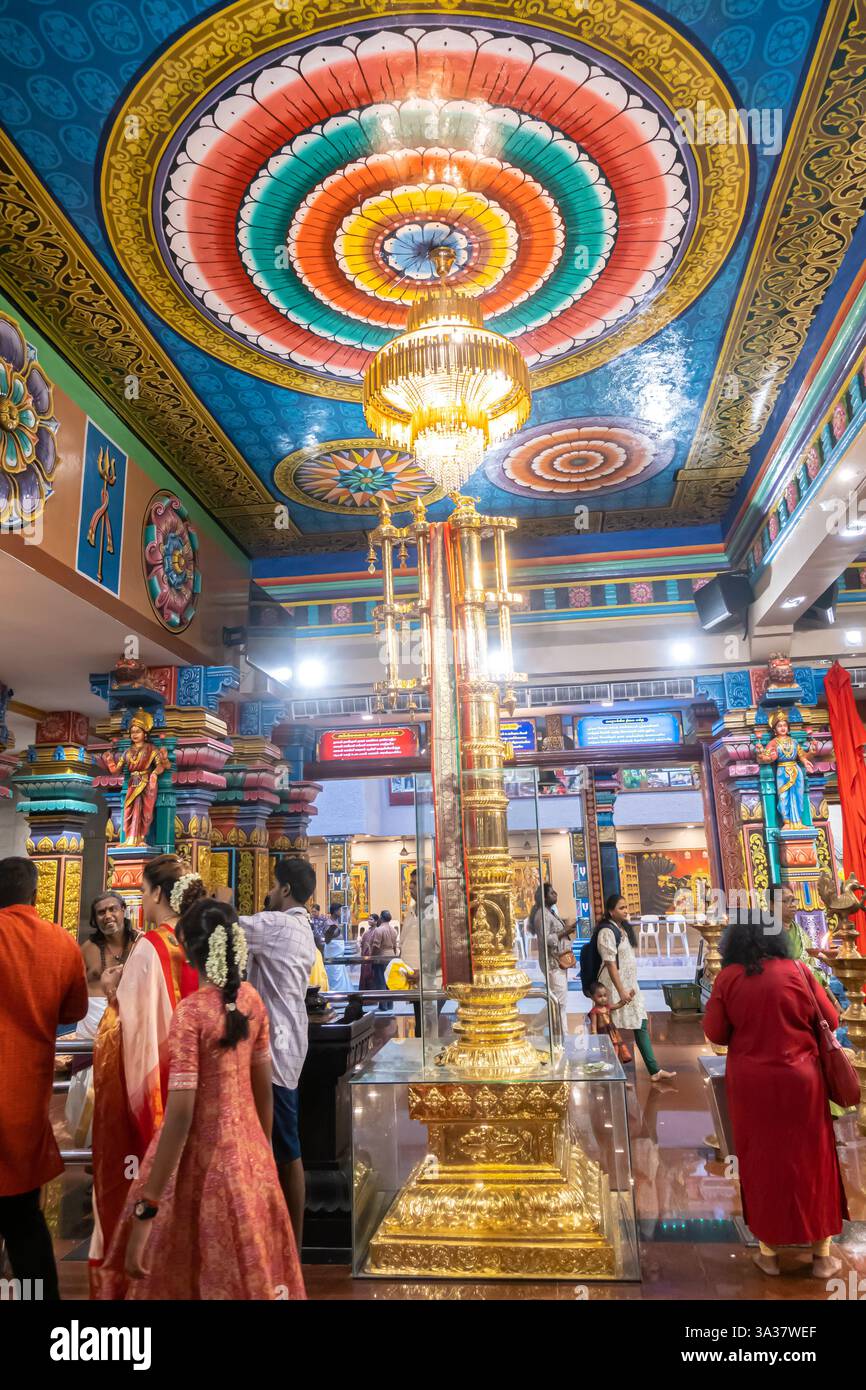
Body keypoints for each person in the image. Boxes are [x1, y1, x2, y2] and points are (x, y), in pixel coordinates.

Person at [97, 899, 305, 1300]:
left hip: (201, 1165)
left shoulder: (192, 1013)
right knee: (250, 1275)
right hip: (250, 1159)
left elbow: (180, 1116)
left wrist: (149, 1205)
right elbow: (263, 1094)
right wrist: (259, 1159)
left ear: (190, 949)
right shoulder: (250, 1001)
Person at [703, 915, 848, 1278]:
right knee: (813, 1160)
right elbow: (830, 1016)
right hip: (803, 1082)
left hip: (752, 1087)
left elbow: (716, 1033)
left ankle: (768, 1254)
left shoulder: (729, 978)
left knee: (760, 1161)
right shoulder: (798, 970)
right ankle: (822, 1256)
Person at [89, 856, 206, 1294]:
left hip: (161, 1091)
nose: (140, 897)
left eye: (141, 889)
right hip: (202, 1091)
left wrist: (114, 993)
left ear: (157, 893)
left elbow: (128, 1032)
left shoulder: (151, 947)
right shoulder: (197, 940)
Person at [0, 856, 88, 1301]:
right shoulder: (60, 942)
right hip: (25, 1102)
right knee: (24, 1222)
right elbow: (73, 1012)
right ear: (36, 894)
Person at [230, 857, 316, 1249]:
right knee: (280, 1142)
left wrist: (216, 897)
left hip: (277, 1049)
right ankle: (279, 1238)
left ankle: (290, 1244)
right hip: (284, 1041)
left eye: (271, 885)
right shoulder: (300, 926)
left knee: (285, 1146)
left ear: (283, 889)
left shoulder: (279, 924)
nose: (266, 892)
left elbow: (225, 926)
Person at [66, 894, 141, 1147]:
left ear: (123, 910)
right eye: (101, 913)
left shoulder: (141, 943)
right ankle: (94, 1166)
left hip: (131, 1029)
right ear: (94, 919)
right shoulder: (86, 950)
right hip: (93, 1032)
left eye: (113, 909)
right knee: (91, 1106)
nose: (108, 916)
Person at [596, 894, 675, 1081]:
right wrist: (621, 990)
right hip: (614, 987)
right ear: (610, 911)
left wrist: (628, 988)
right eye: (621, 908)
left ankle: (654, 1070)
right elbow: (610, 964)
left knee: (641, 1021)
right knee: (609, 1028)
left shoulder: (621, 929)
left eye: (626, 907)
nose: (626, 910)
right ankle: (606, 1073)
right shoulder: (607, 932)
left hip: (630, 985)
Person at [531, 883, 574, 1037]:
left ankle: (562, 1034)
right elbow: (546, 940)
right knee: (559, 1001)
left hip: (558, 962)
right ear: (543, 897)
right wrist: (565, 932)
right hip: (552, 963)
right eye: (551, 892)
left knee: (560, 1001)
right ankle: (540, 1028)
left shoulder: (550, 913)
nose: (555, 894)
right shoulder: (542, 914)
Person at [587, 980, 633, 1062]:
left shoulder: (607, 1007)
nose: (603, 998)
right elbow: (593, 1027)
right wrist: (595, 1038)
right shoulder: (594, 1011)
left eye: (605, 995)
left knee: (615, 1045)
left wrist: (628, 997)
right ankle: (607, 1062)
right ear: (592, 997)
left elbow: (619, 1004)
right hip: (603, 1033)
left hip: (612, 1031)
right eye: (600, 996)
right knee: (605, 1048)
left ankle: (615, 1061)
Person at [365, 909, 399, 1011]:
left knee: (381, 981)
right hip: (391, 957)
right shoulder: (393, 930)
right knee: (389, 982)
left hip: (381, 957)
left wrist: (372, 956)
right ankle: (390, 1005)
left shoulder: (379, 930)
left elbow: (376, 946)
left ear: (381, 918)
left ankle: (383, 1006)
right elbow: (394, 946)